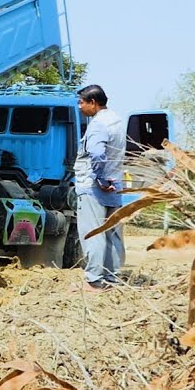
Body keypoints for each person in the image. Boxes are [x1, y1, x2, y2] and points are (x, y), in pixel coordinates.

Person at [74, 84, 126, 290]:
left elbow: (96, 153)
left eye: (81, 102)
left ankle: (94, 280)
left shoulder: (97, 125)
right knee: (112, 233)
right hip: (116, 185)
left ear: (93, 103)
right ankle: (112, 277)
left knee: (93, 232)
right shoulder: (117, 120)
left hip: (94, 187)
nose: (79, 106)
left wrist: (100, 180)